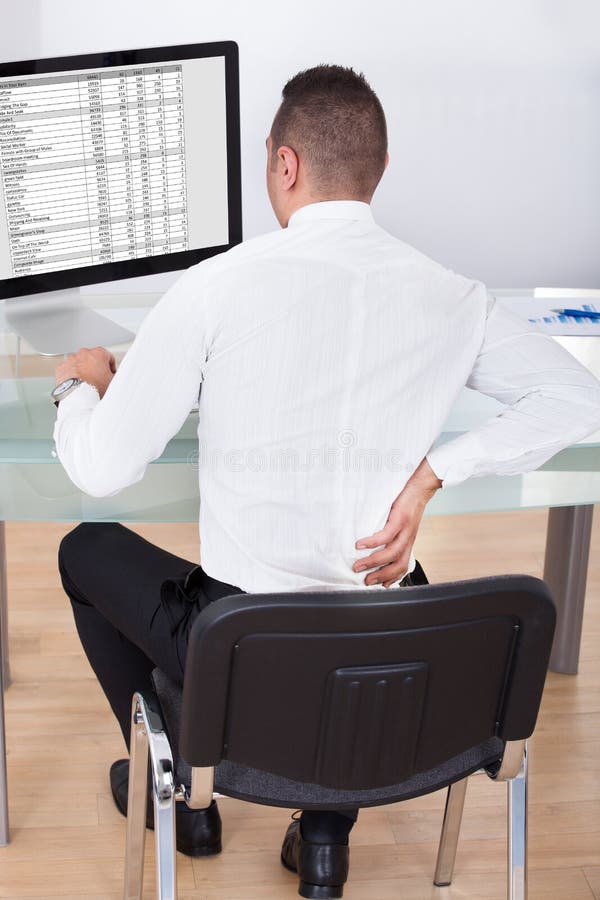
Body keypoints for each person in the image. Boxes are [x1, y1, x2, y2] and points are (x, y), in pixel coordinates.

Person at [55, 65, 600, 899]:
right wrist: (432, 475)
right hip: (383, 653)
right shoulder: (454, 298)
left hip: (236, 647)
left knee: (85, 550)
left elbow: (100, 469)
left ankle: (183, 801)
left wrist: (82, 387)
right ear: (376, 172)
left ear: (285, 165)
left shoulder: (215, 287)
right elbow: (578, 397)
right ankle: (322, 840)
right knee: (362, 603)